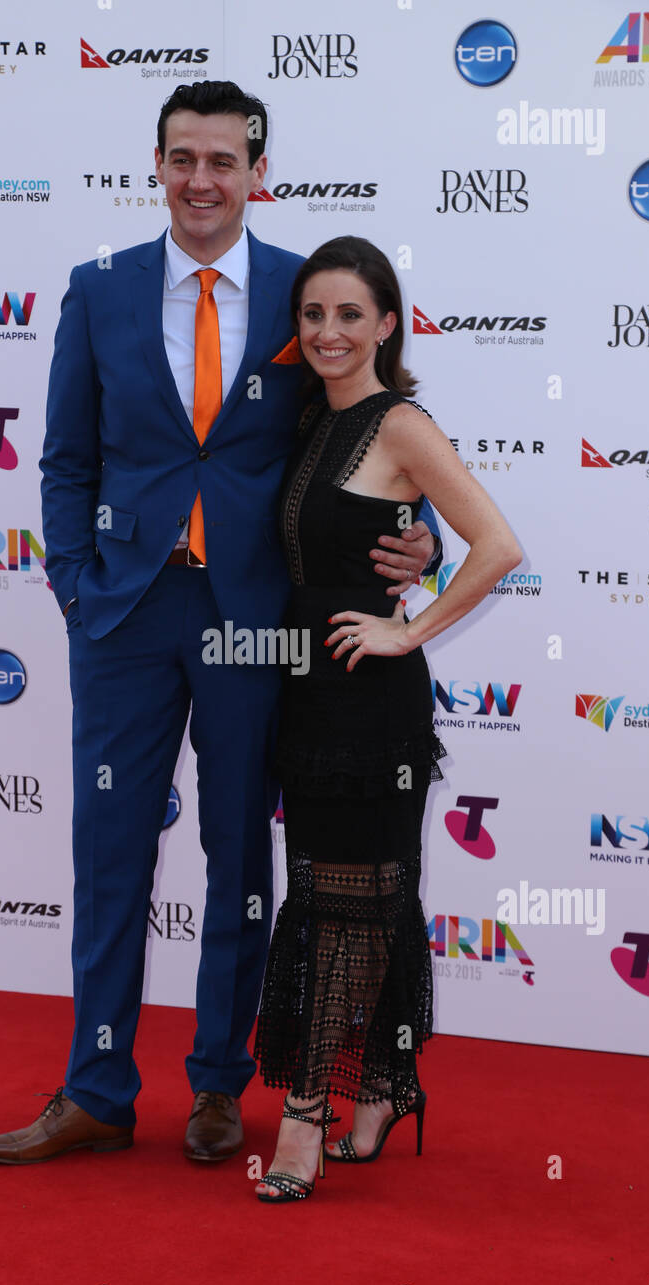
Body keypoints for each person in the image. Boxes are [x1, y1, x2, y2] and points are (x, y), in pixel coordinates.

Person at [0, 84, 440, 1169]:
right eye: (182, 158)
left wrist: (420, 542)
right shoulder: (99, 291)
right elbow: (64, 461)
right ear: (157, 164)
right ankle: (93, 1087)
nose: (200, 179)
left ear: (254, 171)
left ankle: (221, 1085)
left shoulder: (297, 293)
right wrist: (76, 587)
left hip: (256, 622)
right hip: (124, 614)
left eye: (222, 160)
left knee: (238, 854)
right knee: (109, 854)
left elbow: (374, 429)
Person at [253, 236, 522, 1202]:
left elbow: (498, 544)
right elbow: (378, 539)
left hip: (370, 705)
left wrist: (411, 633)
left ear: (388, 323)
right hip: (301, 689)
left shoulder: (400, 423)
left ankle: (305, 1113)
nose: (329, 332)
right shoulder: (309, 423)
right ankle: (380, 1081)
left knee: (348, 908)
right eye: (314, 314)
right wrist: (419, 547)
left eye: (350, 315)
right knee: (358, 898)